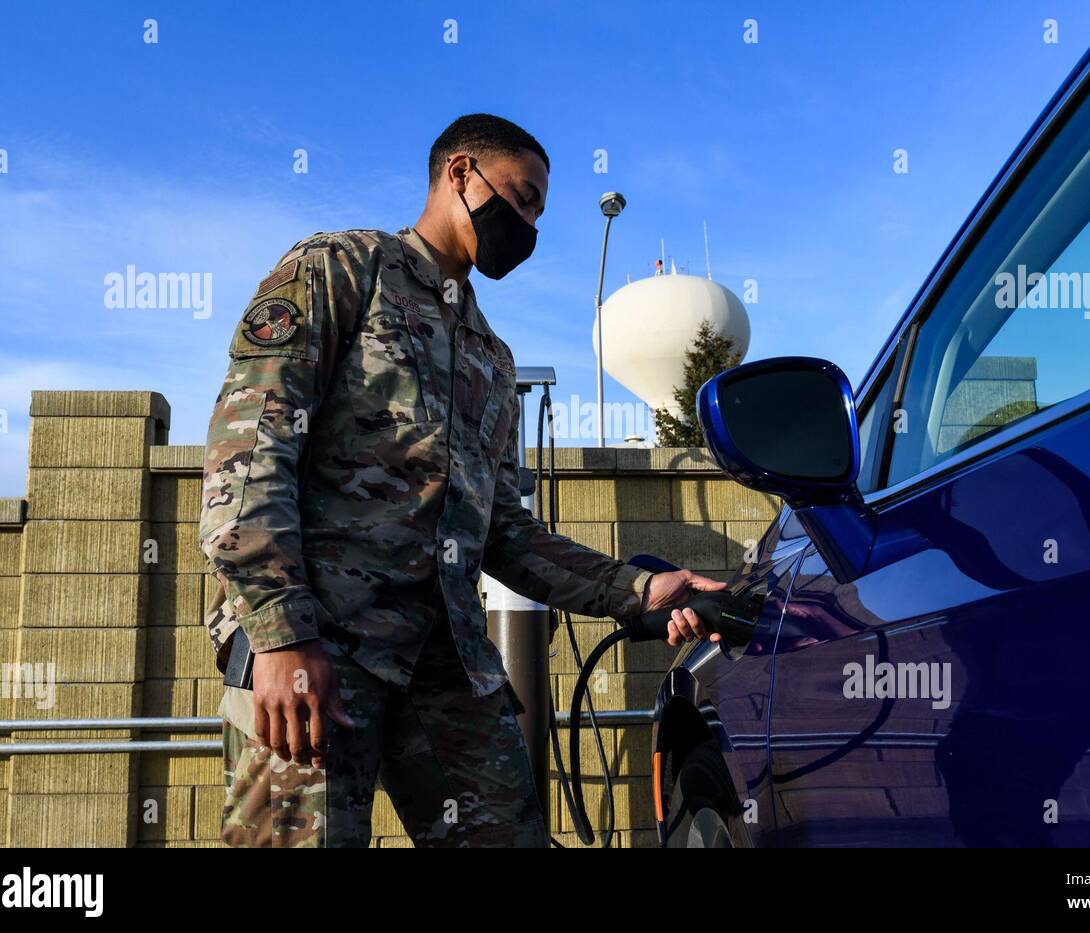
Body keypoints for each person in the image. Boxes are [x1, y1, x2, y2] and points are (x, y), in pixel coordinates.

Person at [199, 113, 722, 847]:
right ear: (460, 173)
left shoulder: (490, 357)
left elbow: (506, 532)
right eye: (522, 196)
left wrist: (638, 590)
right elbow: (249, 451)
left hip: (446, 667)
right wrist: (281, 633)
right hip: (320, 648)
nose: (529, 223)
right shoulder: (343, 269)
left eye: (539, 210)